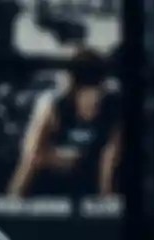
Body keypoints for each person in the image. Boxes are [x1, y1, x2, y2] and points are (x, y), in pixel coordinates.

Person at [7, 49, 122, 198]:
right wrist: (14, 198)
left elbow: (110, 159)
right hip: (53, 181)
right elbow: (31, 156)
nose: (91, 103)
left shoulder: (113, 107)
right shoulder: (52, 105)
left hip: (91, 180)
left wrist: (106, 203)